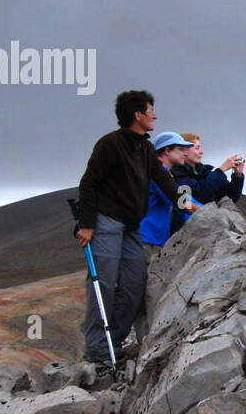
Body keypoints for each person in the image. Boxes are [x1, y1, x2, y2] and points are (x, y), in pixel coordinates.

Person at [75, 91, 197, 366]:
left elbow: (165, 183)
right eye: (151, 110)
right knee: (103, 282)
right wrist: (86, 224)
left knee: (134, 283)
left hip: (131, 226)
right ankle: (96, 348)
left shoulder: (144, 148)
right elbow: (89, 183)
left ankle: (114, 340)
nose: (155, 115)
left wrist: (188, 206)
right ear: (137, 115)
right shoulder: (109, 144)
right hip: (105, 222)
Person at [171, 132, 245, 227]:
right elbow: (199, 193)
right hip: (189, 226)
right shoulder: (177, 173)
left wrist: (237, 176)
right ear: (184, 150)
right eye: (197, 148)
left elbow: (232, 196)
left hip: (211, 222)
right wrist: (222, 169)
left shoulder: (206, 172)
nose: (201, 152)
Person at [140, 131, 194, 261]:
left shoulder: (165, 173)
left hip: (154, 237)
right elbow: (181, 202)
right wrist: (203, 209)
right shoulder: (158, 173)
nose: (185, 153)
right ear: (167, 151)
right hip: (148, 239)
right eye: (180, 149)